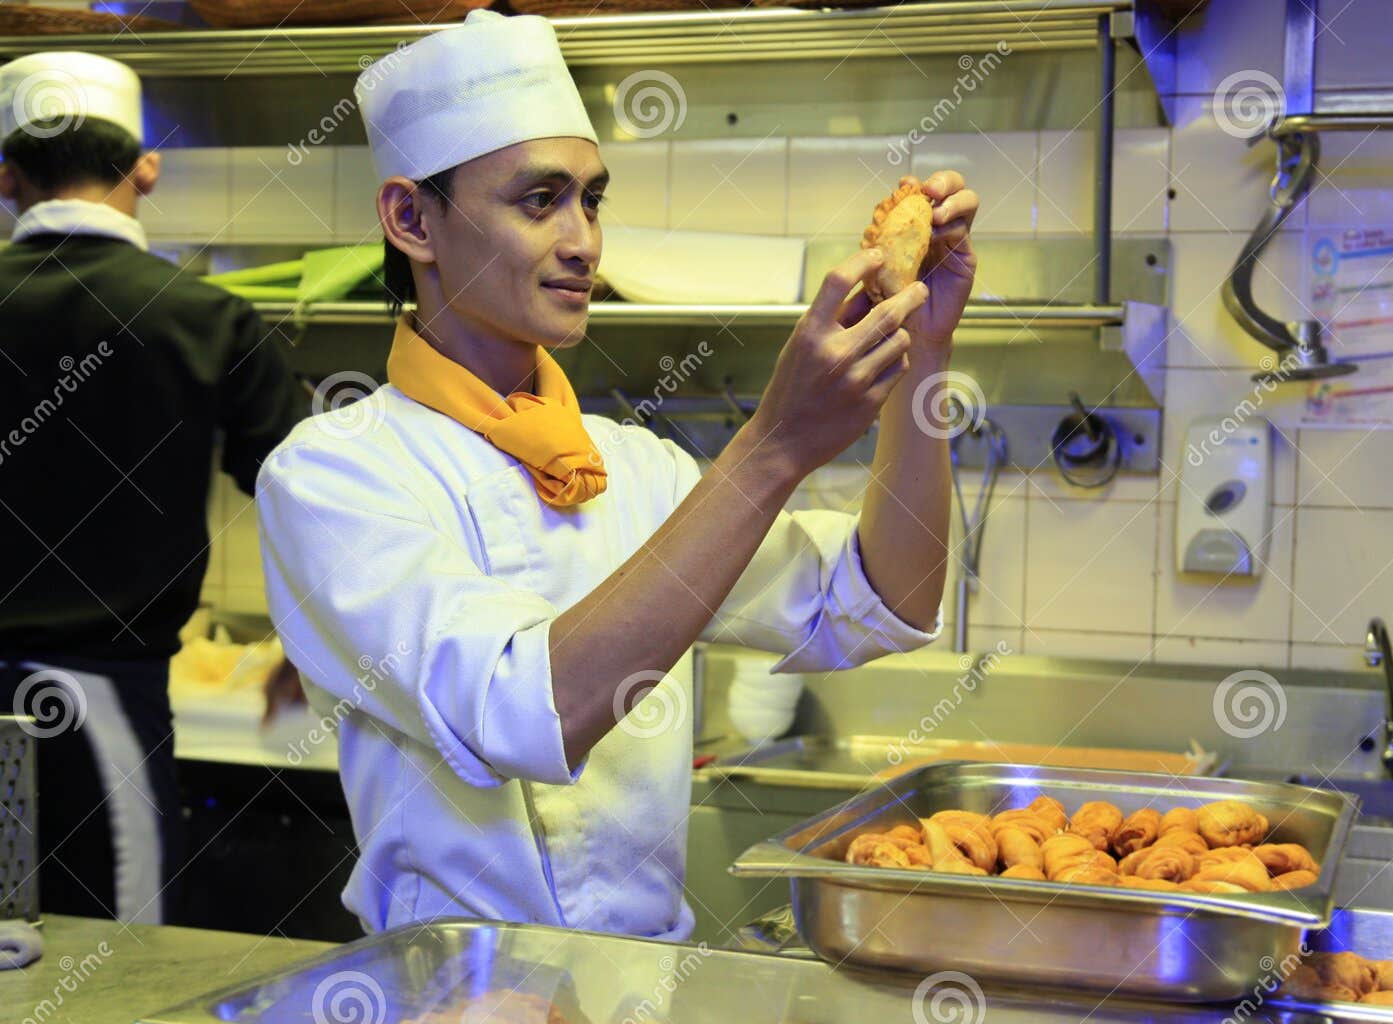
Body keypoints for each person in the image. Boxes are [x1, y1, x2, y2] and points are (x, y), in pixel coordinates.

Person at [257, 11, 979, 939]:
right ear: (411, 219)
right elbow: (523, 711)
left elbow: (887, 602)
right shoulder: (331, 476)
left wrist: (924, 350)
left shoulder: (635, 468)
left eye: (591, 200)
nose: (585, 242)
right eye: (539, 200)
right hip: (448, 1017)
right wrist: (770, 448)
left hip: (639, 1008)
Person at [0, 52, 308, 924]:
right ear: (146, 168)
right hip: (103, 712)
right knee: (114, 991)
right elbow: (304, 506)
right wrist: (310, 638)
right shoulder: (204, 318)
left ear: (7, 178)